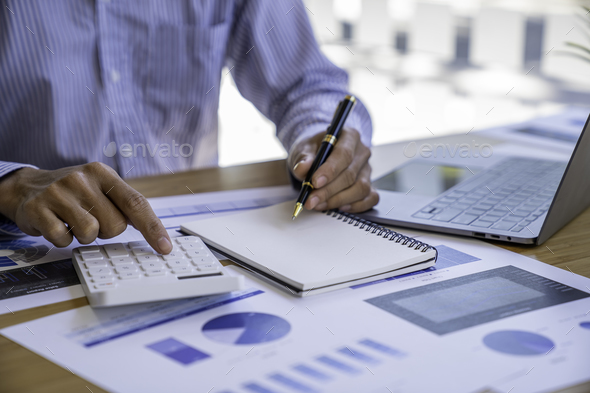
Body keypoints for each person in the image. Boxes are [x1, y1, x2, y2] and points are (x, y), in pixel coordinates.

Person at [0, 0, 378, 255]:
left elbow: (306, 84)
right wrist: (12, 184)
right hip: (35, 242)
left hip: (194, 237)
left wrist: (319, 138)